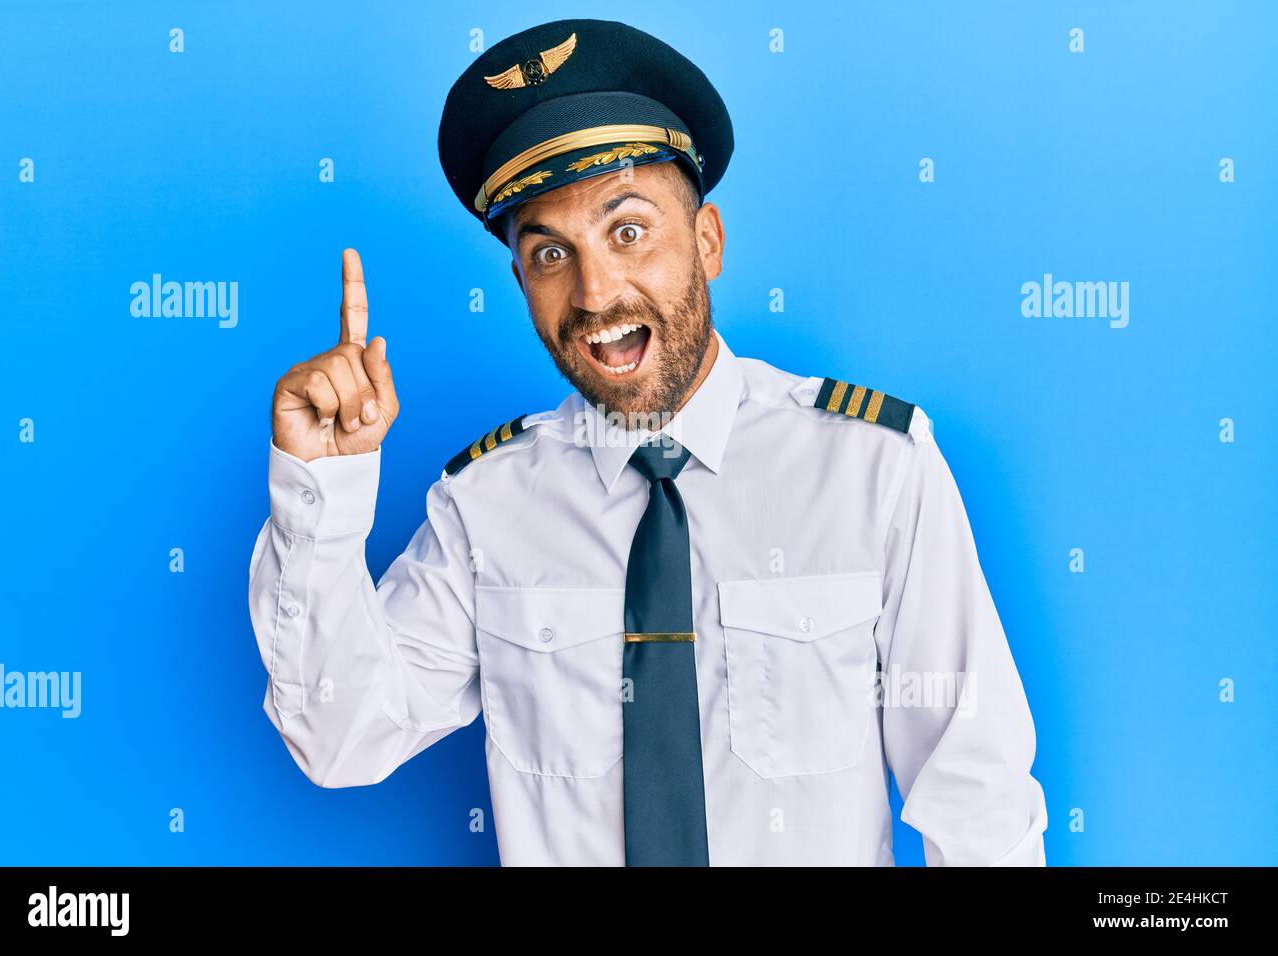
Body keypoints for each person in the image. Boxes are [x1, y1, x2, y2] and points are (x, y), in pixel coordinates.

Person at [248, 17, 1048, 866]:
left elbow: (977, 797)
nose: (596, 292)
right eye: (551, 252)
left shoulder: (874, 466)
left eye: (628, 232)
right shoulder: (485, 505)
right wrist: (320, 498)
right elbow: (341, 739)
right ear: (521, 280)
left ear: (706, 242)